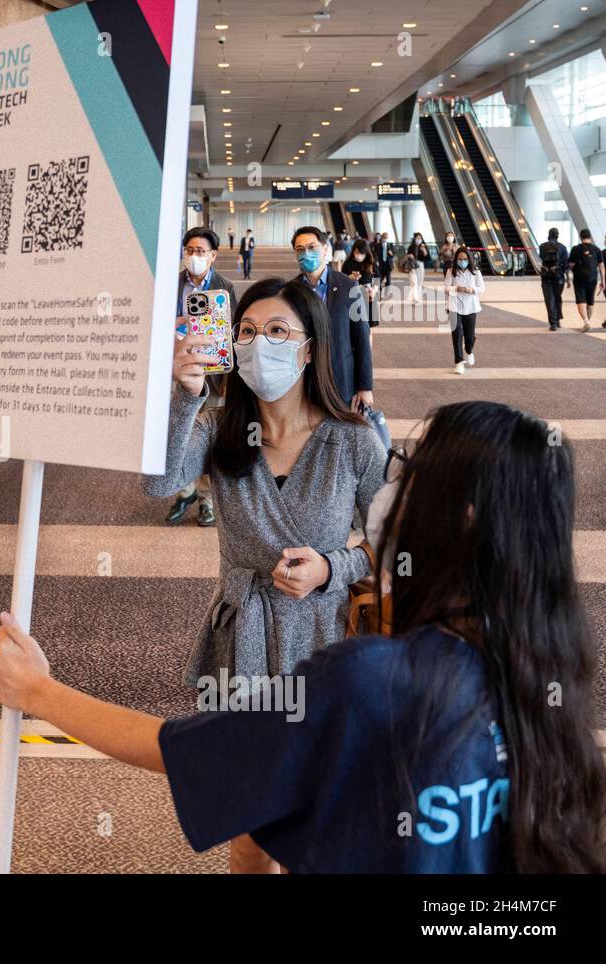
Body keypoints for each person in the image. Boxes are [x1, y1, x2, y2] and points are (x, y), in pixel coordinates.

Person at [0, 399, 606, 873]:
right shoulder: (547, 669)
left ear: (462, 516)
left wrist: (40, 693)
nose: (395, 486)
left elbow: (178, 751)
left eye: (415, 470)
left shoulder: (367, 679)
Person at [145, 279, 387, 870]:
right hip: (243, 638)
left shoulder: (352, 441)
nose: (261, 345)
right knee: (252, 822)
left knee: (319, 811)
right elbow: (159, 483)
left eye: (278, 332)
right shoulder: (218, 428)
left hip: (326, 640)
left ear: (308, 350)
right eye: (247, 332)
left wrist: (333, 567)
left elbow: (395, 545)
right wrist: (185, 395)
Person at [166, 227, 238, 528]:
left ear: (213, 256)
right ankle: (184, 492)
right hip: (178, 372)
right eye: (189, 250)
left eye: (200, 251)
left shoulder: (224, 287)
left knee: (210, 437)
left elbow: (232, 332)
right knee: (178, 432)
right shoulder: (170, 284)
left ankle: (206, 499)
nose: (194, 256)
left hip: (214, 374)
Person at [291, 226, 374, 410]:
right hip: (303, 382)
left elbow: (361, 338)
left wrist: (365, 387)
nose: (306, 253)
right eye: (300, 249)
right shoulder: (290, 291)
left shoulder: (349, 286)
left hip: (340, 379)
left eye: (312, 247)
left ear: (325, 249)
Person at [444, 246, 484, 374]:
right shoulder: (451, 271)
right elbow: (446, 287)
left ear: (469, 259)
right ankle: (459, 362)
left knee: (469, 336)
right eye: (460, 259)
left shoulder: (475, 272)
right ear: (456, 259)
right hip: (454, 306)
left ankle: (469, 350)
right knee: (457, 334)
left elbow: (482, 288)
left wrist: (472, 290)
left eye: (465, 259)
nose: (462, 261)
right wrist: (455, 288)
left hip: (471, 306)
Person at [567, 227, 605, 331]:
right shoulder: (596, 249)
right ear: (590, 237)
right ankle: (588, 321)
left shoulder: (575, 249)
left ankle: (586, 321)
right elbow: (601, 266)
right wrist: (603, 281)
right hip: (592, 279)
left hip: (579, 278)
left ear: (580, 237)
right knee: (590, 301)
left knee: (580, 300)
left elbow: (570, 264)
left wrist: (569, 275)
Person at [343, 238, 378, 330]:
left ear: (366, 253)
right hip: (352, 295)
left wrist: (374, 290)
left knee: (368, 329)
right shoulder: (347, 264)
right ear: (353, 251)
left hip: (369, 295)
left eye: (361, 253)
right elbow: (341, 280)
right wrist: (349, 278)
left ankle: (368, 345)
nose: (358, 256)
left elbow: (377, 279)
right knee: (354, 327)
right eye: (356, 252)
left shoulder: (371, 263)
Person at [538, 227, 569, 331]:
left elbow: (541, 258)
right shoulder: (562, 247)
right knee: (557, 298)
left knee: (549, 299)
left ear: (549, 235)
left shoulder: (542, 246)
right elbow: (566, 265)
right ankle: (558, 320)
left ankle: (553, 323)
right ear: (557, 236)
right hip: (559, 277)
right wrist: (568, 279)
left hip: (546, 276)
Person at [408, 232, 429, 304]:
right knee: (413, 282)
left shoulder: (424, 246)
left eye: (420, 238)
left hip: (420, 265)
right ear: (414, 239)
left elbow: (427, 258)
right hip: (412, 265)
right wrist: (409, 255)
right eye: (417, 238)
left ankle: (417, 298)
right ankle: (415, 298)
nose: (419, 239)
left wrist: (424, 250)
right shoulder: (411, 247)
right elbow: (408, 255)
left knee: (419, 282)